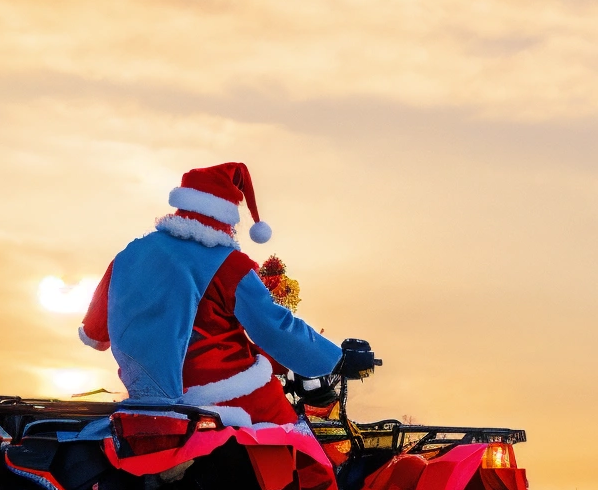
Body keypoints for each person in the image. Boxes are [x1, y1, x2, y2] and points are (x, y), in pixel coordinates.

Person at [77, 163, 375, 426]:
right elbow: (273, 327)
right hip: (227, 394)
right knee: (309, 466)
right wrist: (337, 359)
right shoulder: (227, 263)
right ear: (226, 212)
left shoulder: (128, 256)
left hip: (149, 405)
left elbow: (95, 333)